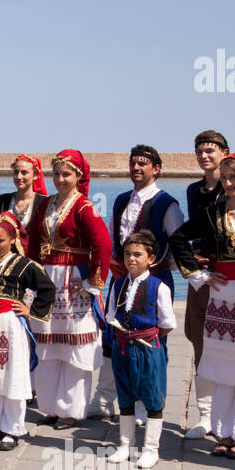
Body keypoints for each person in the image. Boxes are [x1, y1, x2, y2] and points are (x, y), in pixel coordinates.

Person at [171, 145, 235, 459]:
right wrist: (200, 275)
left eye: (234, 177)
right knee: (225, 367)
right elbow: (178, 238)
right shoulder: (215, 213)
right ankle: (225, 431)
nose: (227, 183)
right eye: (225, 178)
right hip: (221, 298)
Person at [93, 145, 184, 420]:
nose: (137, 168)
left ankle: (148, 402)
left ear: (156, 169)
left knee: (150, 342)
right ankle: (106, 397)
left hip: (153, 281)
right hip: (121, 280)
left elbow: (178, 243)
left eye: (143, 164)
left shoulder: (167, 204)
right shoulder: (121, 200)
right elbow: (112, 239)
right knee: (113, 338)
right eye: (133, 163)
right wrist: (110, 265)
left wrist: (159, 268)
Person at [25, 149, 112, 429]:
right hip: (47, 281)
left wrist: (93, 283)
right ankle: (50, 406)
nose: (60, 179)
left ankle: (71, 410)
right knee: (47, 345)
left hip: (72, 281)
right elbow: (34, 245)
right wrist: (30, 279)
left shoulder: (85, 207)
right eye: (57, 174)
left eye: (67, 174)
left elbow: (103, 245)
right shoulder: (45, 204)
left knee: (74, 349)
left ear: (78, 176)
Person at [0, 211, 56, 450]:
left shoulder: (23, 265)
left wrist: (30, 310)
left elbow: (47, 288)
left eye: (0, 241)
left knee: (12, 376)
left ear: (13, 239)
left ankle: (13, 429)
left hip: (10, 325)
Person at [103, 231, 176, 469]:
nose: (131, 259)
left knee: (153, 396)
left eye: (137, 255)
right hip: (122, 348)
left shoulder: (159, 287)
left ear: (151, 259)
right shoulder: (118, 284)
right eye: (127, 254)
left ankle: (151, 449)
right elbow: (111, 314)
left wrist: (145, 338)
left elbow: (166, 324)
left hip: (148, 349)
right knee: (125, 395)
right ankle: (126, 445)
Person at [182, 131, 230, 439]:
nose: (204, 156)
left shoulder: (234, 188)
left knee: (227, 342)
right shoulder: (193, 190)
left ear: (225, 152)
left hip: (228, 273)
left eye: (210, 150)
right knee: (198, 337)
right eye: (199, 151)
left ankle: (228, 415)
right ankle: (205, 415)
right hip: (201, 273)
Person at [0, 154, 48, 248]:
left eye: (24, 172)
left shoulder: (45, 203)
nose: (19, 177)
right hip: (3, 259)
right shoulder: (0, 201)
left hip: (34, 260)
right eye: (16, 172)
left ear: (35, 176)